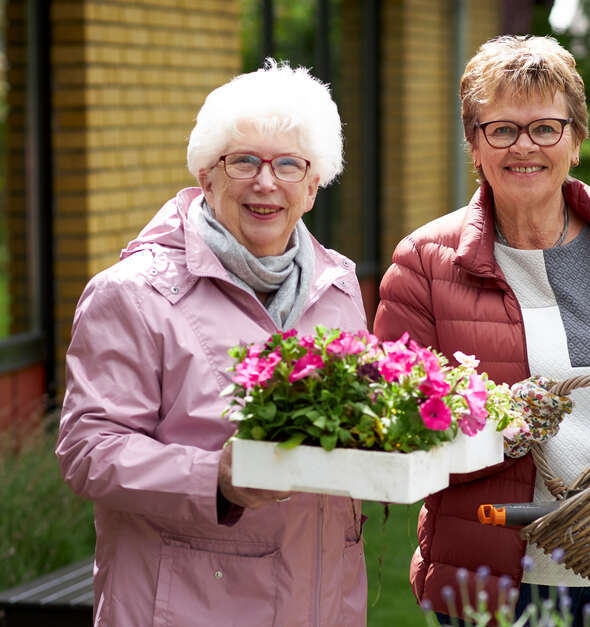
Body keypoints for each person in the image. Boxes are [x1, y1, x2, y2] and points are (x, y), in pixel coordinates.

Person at [373, 35, 590, 626]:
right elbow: (397, 420)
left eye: (545, 127)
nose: (524, 147)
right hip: (495, 585)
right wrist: (502, 423)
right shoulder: (425, 263)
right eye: (501, 130)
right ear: (474, 145)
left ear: (576, 141)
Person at [55, 62, 368, 626]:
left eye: (289, 165)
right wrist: (215, 478)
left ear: (313, 186)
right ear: (206, 175)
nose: (266, 183)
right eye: (243, 160)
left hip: (325, 600)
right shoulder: (132, 294)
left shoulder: (338, 287)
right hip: (191, 605)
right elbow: (88, 450)